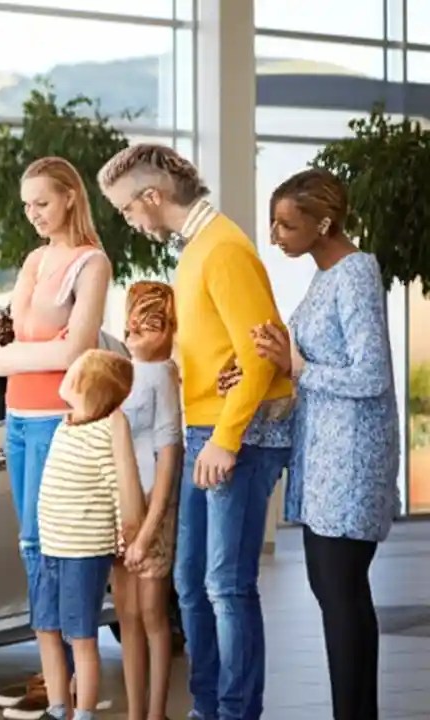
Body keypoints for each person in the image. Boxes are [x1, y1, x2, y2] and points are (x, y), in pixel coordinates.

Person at [96, 143, 295, 720]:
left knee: (227, 586)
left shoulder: (225, 249)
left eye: (129, 210)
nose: (130, 221)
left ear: (153, 197)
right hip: (207, 426)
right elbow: (229, 347)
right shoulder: (197, 251)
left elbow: (261, 356)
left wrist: (227, 438)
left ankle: (234, 712)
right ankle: (205, 706)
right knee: (190, 583)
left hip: (241, 435)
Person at [235, 168, 399, 720]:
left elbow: (369, 376)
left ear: (322, 223)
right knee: (336, 598)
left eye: (286, 225)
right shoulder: (325, 275)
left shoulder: (353, 274)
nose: (276, 235)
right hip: (324, 459)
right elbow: (303, 365)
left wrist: (296, 364)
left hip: (351, 463)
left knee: (342, 597)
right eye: (273, 223)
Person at [0, 156, 113, 719]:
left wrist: (16, 356)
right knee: (30, 546)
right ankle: (53, 689)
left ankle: (67, 693)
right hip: (16, 422)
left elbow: (73, 352)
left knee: (53, 545)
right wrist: (30, 352)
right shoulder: (34, 260)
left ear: (70, 200)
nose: (33, 215)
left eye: (43, 203)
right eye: (27, 205)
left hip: (58, 424)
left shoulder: (92, 264)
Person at [31, 348, 146, 720]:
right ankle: (56, 705)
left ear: (89, 387)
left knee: (82, 638)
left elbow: (119, 490)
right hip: (52, 546)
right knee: (46, 628)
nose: (68, 373)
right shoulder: (66, 423)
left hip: (83, 551)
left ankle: (83, 713)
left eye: (76, 371)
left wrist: (125, 539)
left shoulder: (104, 431)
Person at [118, 281, 183, 720]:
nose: (138, 331)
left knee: (152, 613)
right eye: (134, 322)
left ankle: (156, 712)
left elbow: (168, 455)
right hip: (121, 502)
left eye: (151, 323)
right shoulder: (122, 371)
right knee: (126, 614)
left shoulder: (163, 376)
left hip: (152, 502)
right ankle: (134, 712)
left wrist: (152, 522)